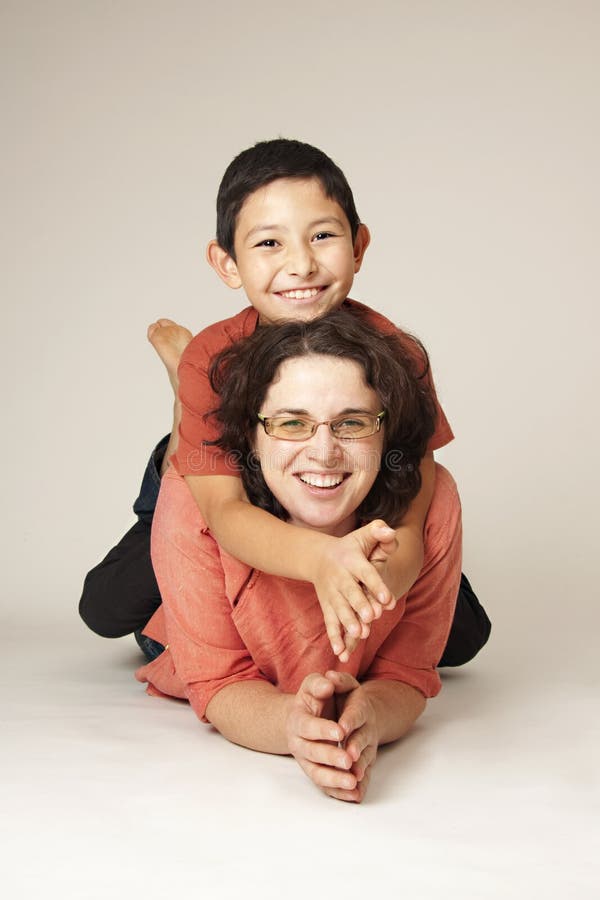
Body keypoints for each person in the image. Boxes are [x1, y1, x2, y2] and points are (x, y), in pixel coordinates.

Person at [79, 137, 490, 664]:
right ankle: (180, 433)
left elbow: (415, 469)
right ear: (227, 264)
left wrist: (400, 555)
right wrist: (322, 560)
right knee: (107, 610)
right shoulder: (214, 359)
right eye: (270, 244)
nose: (301, 264)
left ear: (359, 246)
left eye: (322, 235)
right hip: (232, 479)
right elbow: (224, 511)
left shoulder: (398, 353)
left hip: (339, 486)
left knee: (461, 642)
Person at [136, 311, 462, 803]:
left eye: (352, 422)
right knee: (110, 599)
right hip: (195, 623)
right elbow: (221, 684)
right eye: (292, 422)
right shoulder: (194, 506)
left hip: (362, 593)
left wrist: (370, 714)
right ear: (251, 433)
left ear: (385, 430)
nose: (325, 452)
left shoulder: (433, 503)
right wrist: (291, 724)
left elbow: (406, 677)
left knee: (465, 637)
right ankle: (186, 413)